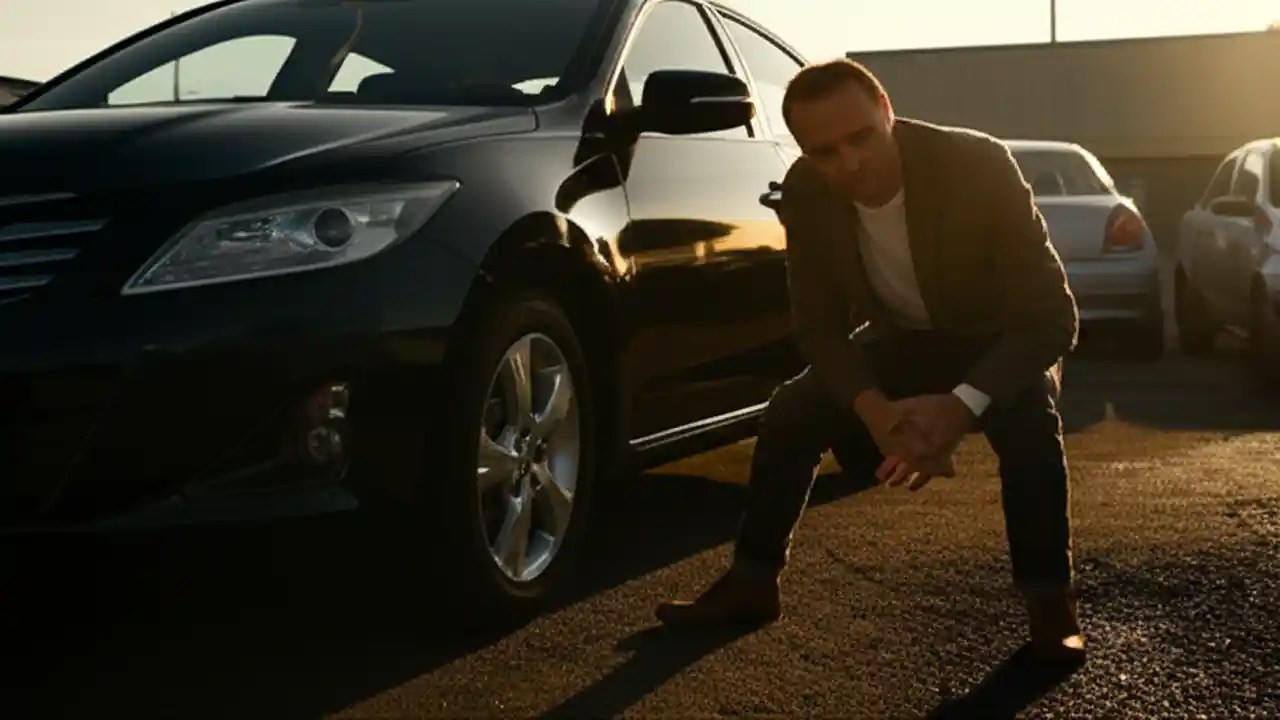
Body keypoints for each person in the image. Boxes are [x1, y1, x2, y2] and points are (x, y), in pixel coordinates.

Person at [654, 59, 1086, 663]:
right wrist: (877, 415)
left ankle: (1050, 604)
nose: (851, 163)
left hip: (998, 342)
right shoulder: (807, 190)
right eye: (825, 152)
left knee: (1029, 420)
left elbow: (1053, 317)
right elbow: (820, 327)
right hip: (902, 339)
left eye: (862, 138)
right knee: (792, 410)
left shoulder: (977, 163)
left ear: (888, 111)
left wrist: (959, 408)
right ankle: (752, 581)